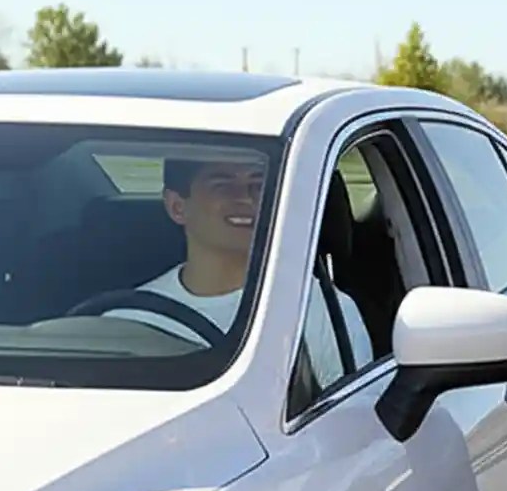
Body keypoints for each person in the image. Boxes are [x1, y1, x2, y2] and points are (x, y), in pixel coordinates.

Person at [105, 156, 373, 380]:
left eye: (258, 185)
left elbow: (351, 424)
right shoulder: (128, 320)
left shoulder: (320, 309)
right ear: (177, 207)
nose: (245, 198)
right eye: (222, 185)